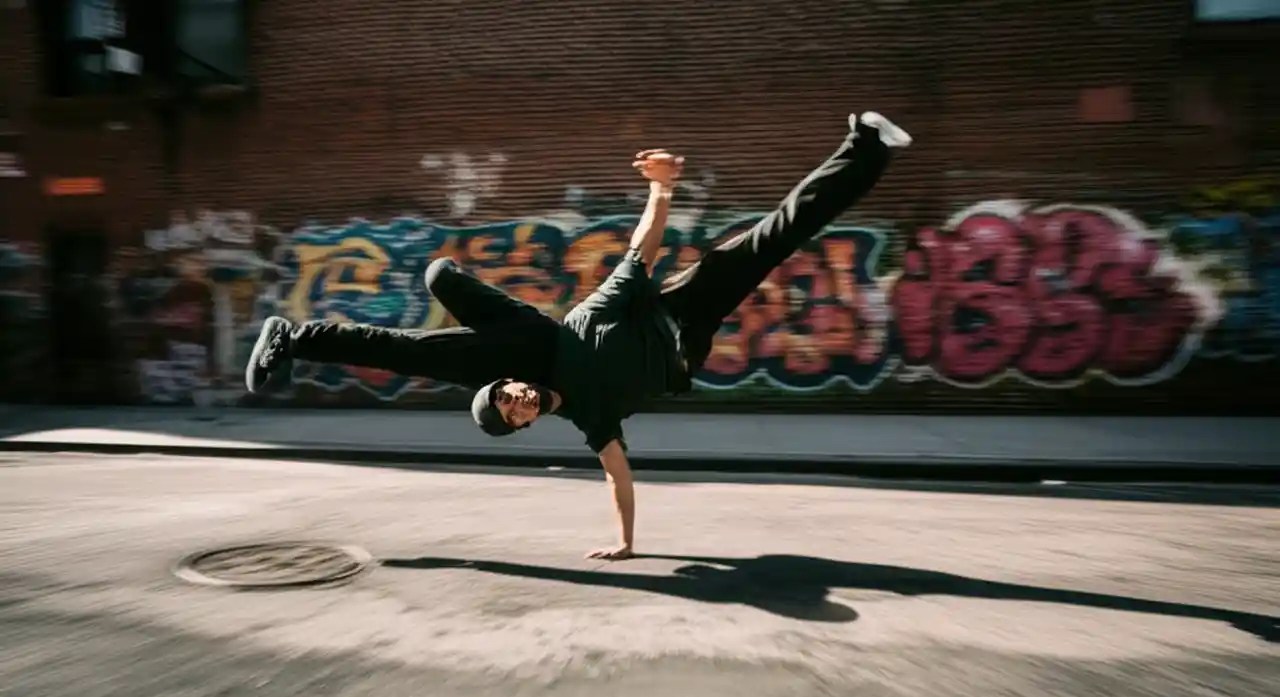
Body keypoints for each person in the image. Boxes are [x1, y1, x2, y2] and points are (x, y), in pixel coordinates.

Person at [245, 111, 912, 560]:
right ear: (526, 419)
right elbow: (619, 478)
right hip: (686, 338)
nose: (520, 405)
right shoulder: (591, 418)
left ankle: (865, 144)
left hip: (652, 308)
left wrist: (664, 190)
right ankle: (309, 333)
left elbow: (642, 250)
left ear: (510, 388)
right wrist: (627, 542)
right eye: (515, 414)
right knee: (423, 330)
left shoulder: (580, 328)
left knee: (775, 234)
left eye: (509, 399)